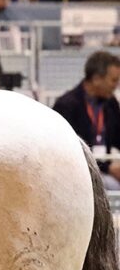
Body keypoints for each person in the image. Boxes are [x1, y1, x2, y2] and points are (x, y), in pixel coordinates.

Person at [52, 51, 120, 190]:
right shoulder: (66, 106)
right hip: (79, 174)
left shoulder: (110, 103)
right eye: (113, 80)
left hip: (104, 168)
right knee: (112, 187)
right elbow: (67, 153)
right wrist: (108, 168)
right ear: (96, 79)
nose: (116, 86)